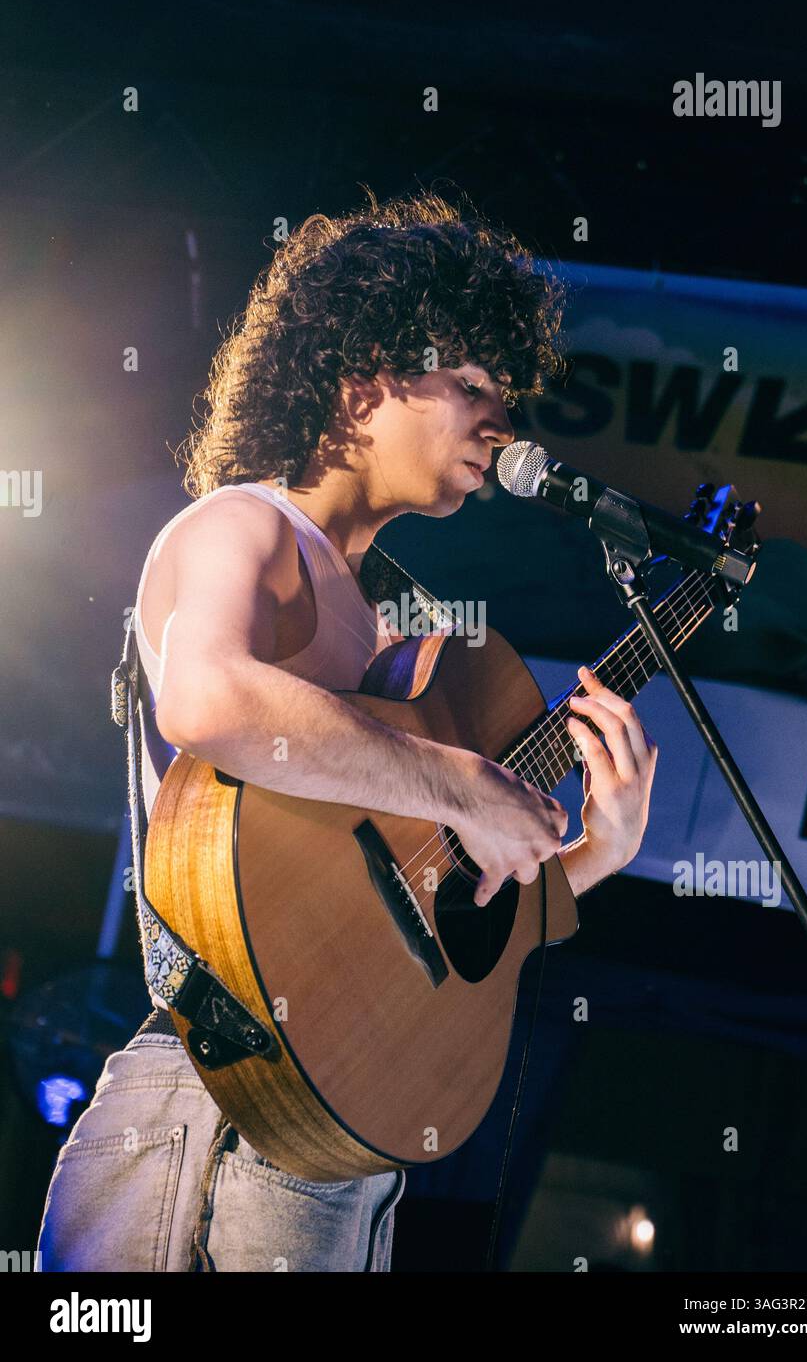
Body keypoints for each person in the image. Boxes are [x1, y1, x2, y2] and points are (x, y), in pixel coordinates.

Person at [36, 187, 658, 1272]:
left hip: (339, 1131)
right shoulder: (240, 523)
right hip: (206, 1085)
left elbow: (410, 905)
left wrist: (595, 855)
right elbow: (208, 698)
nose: (497, 425)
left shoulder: (387, 619)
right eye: (471, 386)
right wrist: (461, 781)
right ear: (368, 373)